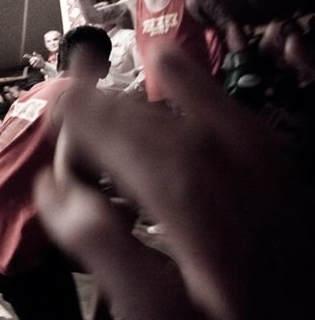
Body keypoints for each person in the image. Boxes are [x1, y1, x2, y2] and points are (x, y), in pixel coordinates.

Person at [34, 42, 315, 320]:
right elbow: (78, 196)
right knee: (140, 259)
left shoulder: (37, 91)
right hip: (29, 237)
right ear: (104, 67)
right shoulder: (76, 98)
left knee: (123, 253)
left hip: (7, 226)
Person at [0, 26, 114, 320]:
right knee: (115, 247)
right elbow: (85, 195)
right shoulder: (83, 100)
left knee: (111, 255)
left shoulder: (29, 94)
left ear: (58, 60)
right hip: (19, 242)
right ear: (105, 68)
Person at [58, 0, 251, 102]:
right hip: (156, 98)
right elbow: (94, 17)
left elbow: (228, 25)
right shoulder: (133, 3)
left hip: (196, 95)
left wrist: (242, 64)